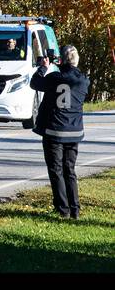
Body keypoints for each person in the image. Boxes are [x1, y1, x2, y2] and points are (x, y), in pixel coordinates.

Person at [31, 45, 90, 218]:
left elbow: (34, 83)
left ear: (61, 60)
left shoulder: (53, 77)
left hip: (55, 130)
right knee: (69, 170)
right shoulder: (83, 80)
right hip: (74, 131)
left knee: (56, 170)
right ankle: (75, 209)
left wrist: (44, 67)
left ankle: (63, 209)